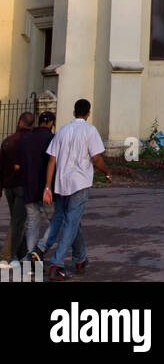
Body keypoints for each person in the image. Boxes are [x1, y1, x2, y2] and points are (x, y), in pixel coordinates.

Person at [39, 98, 112, 281]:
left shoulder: (62, 131)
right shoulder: (90, 131)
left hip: (62, 183)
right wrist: (107, 173)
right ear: (88, 113)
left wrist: (48, 186)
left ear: (73, 112)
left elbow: (52, 160)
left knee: (73, 220)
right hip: (79, 183)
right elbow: (96, 159)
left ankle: (80, 258)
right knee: (71, 222)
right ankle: (57, 264)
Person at [19, 111, 55, 262]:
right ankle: (40, 249)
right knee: (56, 221)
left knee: (32, 226)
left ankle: (30, 260)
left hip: (29, 188)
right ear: (50, 123)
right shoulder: (52, 139)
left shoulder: (26, 139)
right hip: (46, 190)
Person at [0, 111, 34, 261]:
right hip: (22, 186)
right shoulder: (31, 141)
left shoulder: (8, 141)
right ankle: (5, 256)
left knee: (17, 219)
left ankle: (22, 252)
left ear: (20, 122)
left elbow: (0, 167)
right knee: (18, 222)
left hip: (9, 186)